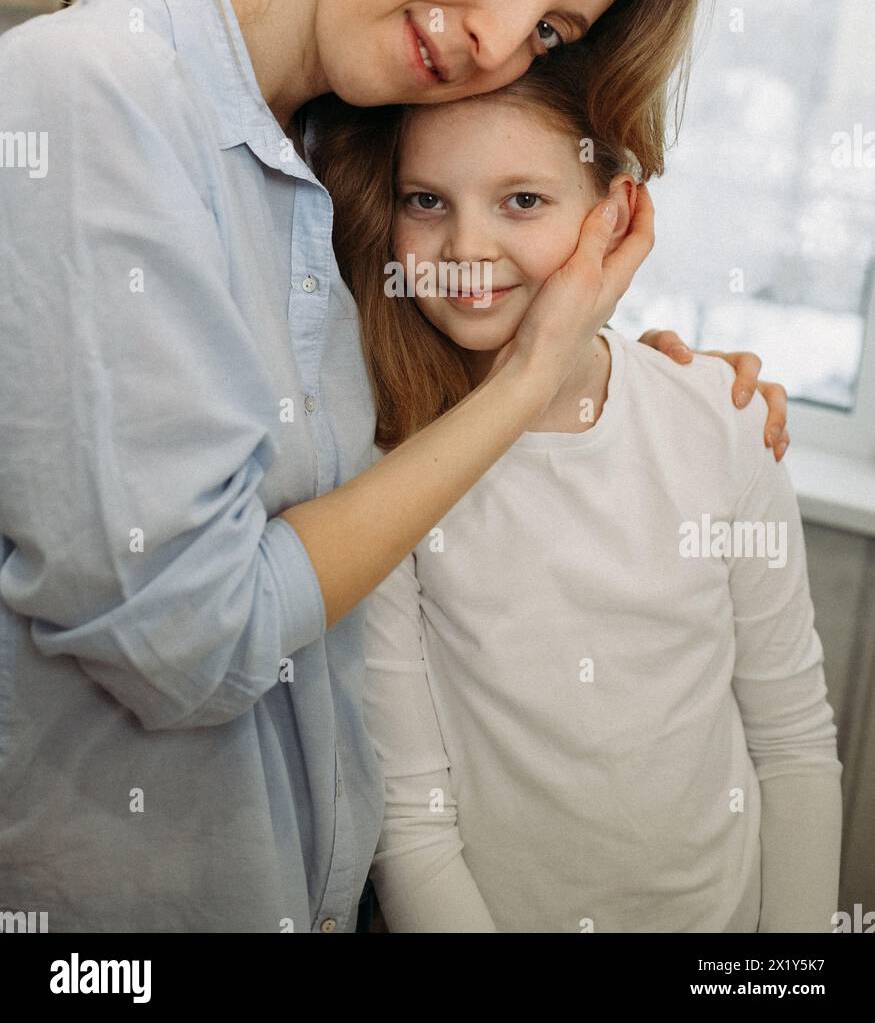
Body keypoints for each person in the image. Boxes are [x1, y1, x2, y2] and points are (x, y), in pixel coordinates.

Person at [0, 0, 789, 933]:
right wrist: (527, 381)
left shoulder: (333, 154)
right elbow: (192, 640)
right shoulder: (86, 99)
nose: (499, 32)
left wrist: (651, 389)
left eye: (552, 30)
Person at [311, 52, 840, 933]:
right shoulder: (385, 473)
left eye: (522, 200)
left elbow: (790, 743)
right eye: (426, 200)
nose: (466, 249)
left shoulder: (722, 421)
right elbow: (412, 821)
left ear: (614, 213)